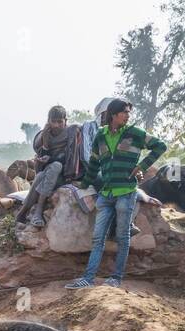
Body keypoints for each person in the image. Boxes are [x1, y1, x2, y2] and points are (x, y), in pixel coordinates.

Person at [66, 99, 167, 290]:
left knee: (122, 237)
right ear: (113, 114)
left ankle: (116, 278)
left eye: (129, 112)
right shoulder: (101, 135)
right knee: (98, 238)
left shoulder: (134, 133)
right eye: (125, 112)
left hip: (126, 193)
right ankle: (88, 278)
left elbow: (160, 146)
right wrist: (84, 184)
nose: (128, 116)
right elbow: (94, 164)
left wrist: (141, 166)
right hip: (105, 194)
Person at [16, 105, 82, 228]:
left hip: (65, 175)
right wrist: (45, 146)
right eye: (53, 121)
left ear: (65, 121)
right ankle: (31, 213)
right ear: (48, 121)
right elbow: (41, 161)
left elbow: (70, 158)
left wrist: (51, 159)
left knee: (55, 166)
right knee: (42, 174)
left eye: (60, 122)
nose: (56, 125)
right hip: (49, 174)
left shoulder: (72, 133)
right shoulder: (44, 136)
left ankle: (34, 210)